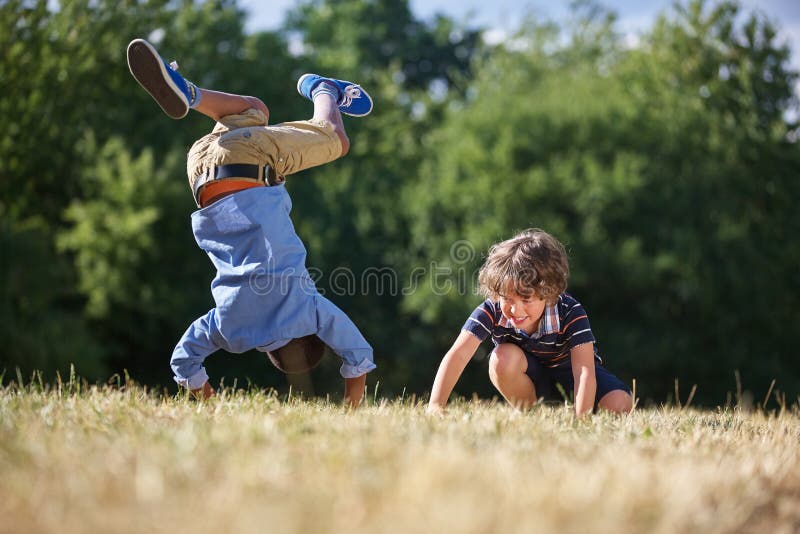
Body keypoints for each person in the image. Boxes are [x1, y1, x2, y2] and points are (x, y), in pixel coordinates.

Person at [126, 38, 376, 406]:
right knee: (253, 110)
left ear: (311, 334)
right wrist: (210, 407)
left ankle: (325, 89)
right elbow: (183, 361)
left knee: (336, 139)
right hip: (200, 171)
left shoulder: (307, 311)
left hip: (251, 161)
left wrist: (352, 410)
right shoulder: (229, 327)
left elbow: (358, 357)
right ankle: (191, 94)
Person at [427, 229, 632, 416]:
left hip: (572, 376)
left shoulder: (570, 312)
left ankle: (578, 410)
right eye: (507, 298)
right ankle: (533, 412)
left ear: (549, 293)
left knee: (620, 403)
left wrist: (582, 420)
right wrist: (435, 405)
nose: (515, 310)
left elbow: (584, 371)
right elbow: (458, 354)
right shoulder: (490, 310)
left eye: (526, 300)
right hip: (532, 381)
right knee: (501, 358)